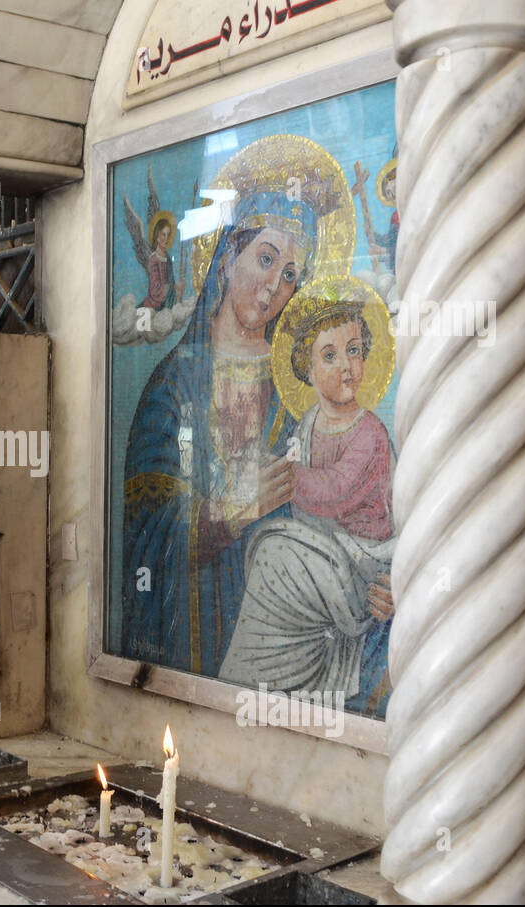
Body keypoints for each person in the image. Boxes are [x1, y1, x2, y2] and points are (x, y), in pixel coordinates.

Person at [121, 178, 323, 673]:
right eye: (267, 258)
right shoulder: (175, 383)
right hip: (196, 617)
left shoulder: (295, 390)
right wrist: (238, 508)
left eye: (291, 274)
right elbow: (149, 526)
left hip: (272, 620)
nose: (275, 285)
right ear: (230, 256)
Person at [218, 287, 396, 715]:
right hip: (324, 553)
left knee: (275, 555)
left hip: (362, 567)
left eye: (354, 351)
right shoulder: (309, 422)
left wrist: (285, 476)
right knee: (269, 552)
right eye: (330, 356)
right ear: (309, 371)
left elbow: (333, 491)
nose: (347, 366)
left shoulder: (370, 433)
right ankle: (257, 680)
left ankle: (244, 680)